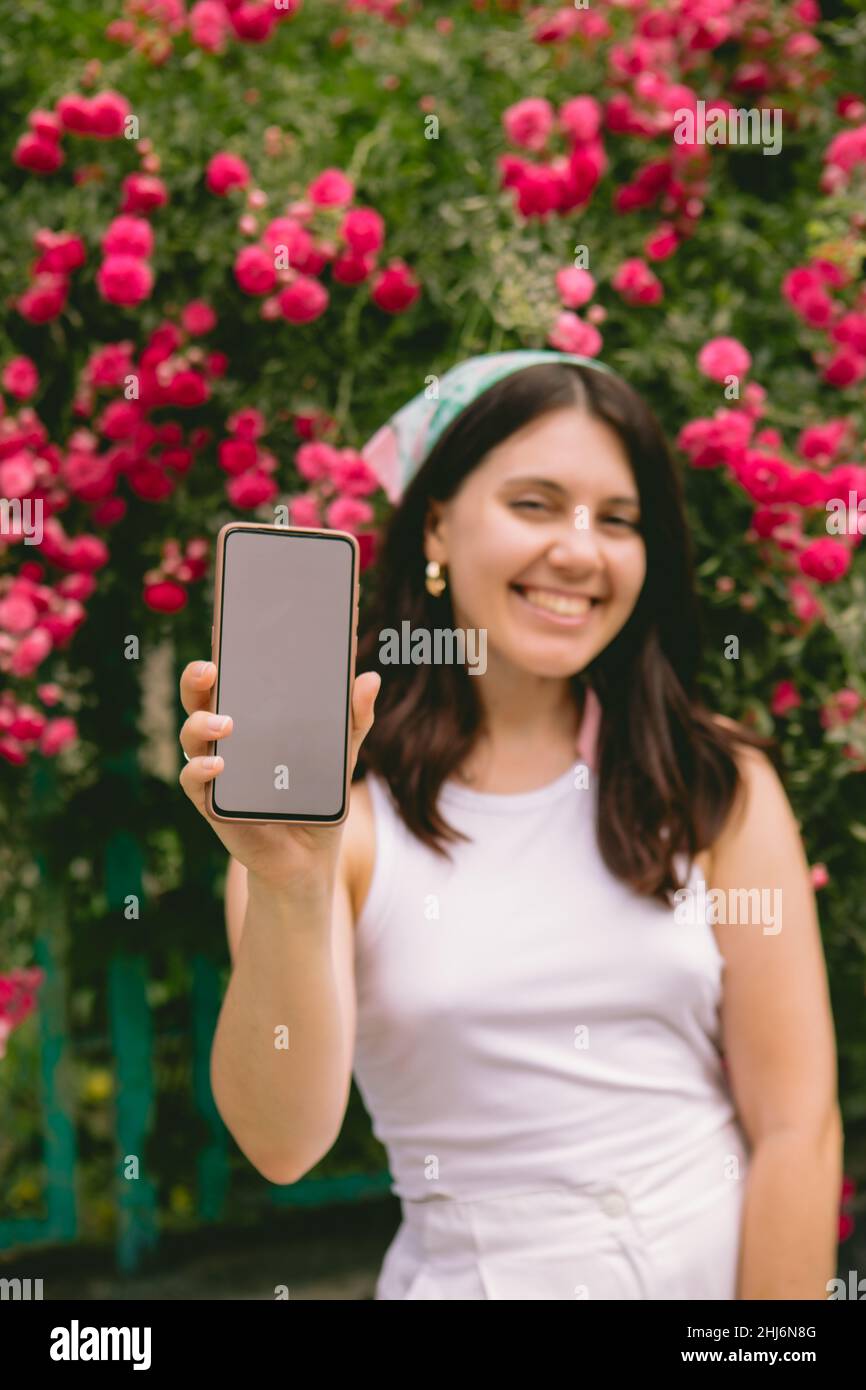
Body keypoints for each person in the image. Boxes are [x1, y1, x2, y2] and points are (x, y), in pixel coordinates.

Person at [179, 350, 843, 1300]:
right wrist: (290, 884)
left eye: (618, 519)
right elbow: (284, 1143)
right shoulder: (340, 823)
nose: (580, 550)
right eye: (534, 504)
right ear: (439, 523)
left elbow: (793, 1128)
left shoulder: (713, 782)